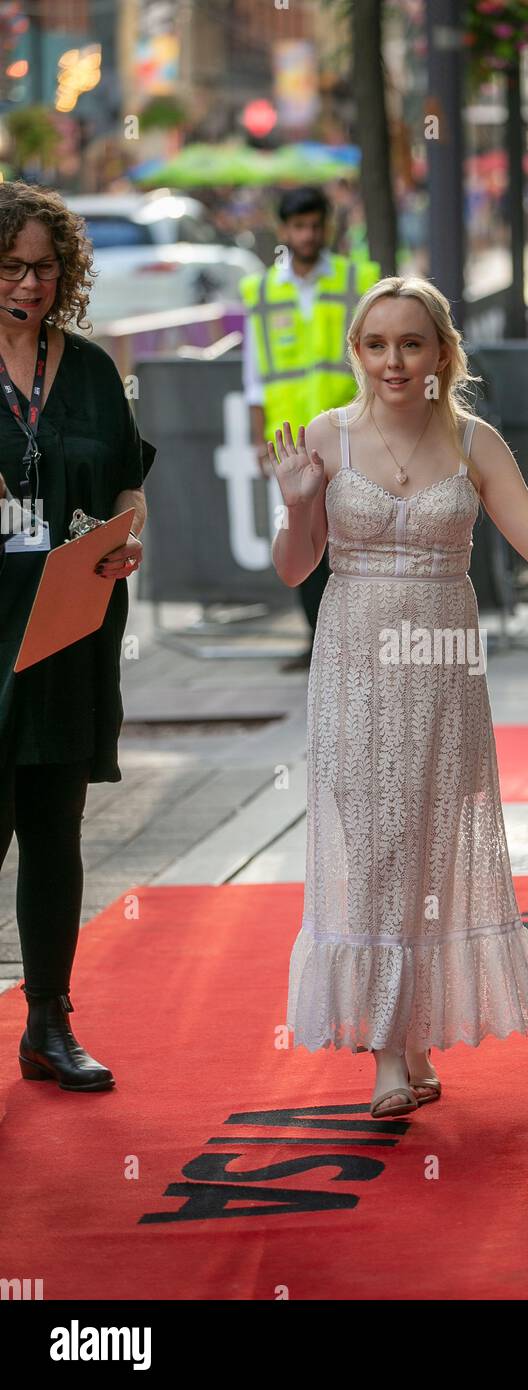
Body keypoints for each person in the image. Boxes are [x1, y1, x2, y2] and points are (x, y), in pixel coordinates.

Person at [269, 275, 528, 1118]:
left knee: (423, 848)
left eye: (410, 343)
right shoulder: (327, 436)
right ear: (356, 352)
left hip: (444, 669)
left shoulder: (476, 440)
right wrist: (297, 506)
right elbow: (294, 568)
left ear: (442, 354)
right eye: (376, 344)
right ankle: (387, 1053)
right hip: (354, 665)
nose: (393, 360)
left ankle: (413, 1040)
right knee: (376, 845)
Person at [0, 182, 155, 1091]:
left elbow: (128, 480)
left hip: (69, 623)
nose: (31, 283)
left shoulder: (92, 368)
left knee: (55, 828)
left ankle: (48, 1024)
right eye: (13, 266)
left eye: (46, 267)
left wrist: (126, 537)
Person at [240, 187, 380, 670]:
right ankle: (319, 641)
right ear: (283, 230)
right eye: (298, 226)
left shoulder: (354, 280)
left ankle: (353, 640)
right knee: (301, 537)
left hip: (351, 435)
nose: (308, 235)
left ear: (328, 226)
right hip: (291, 441)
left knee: (352, 537)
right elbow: (256, 375)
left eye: (315, 225)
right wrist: (261, 441)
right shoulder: (260, 291)